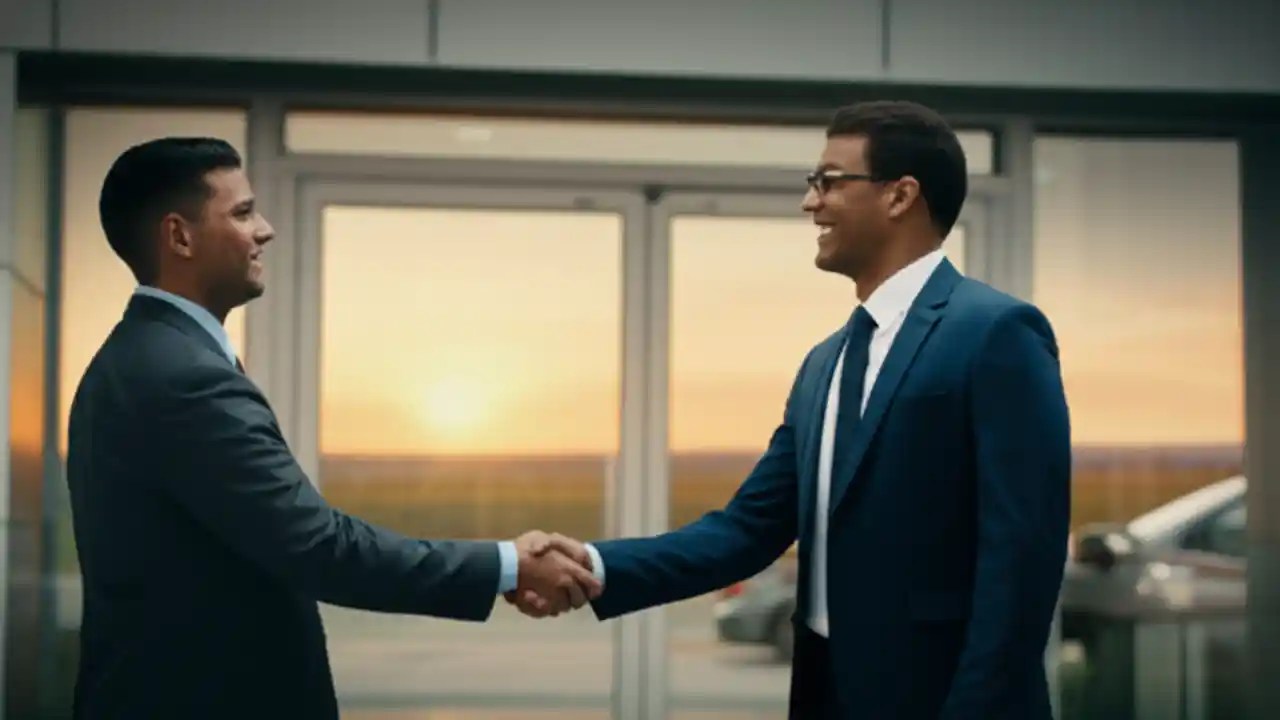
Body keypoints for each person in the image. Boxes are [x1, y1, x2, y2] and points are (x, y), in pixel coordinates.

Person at [517, 101, 1071, 719]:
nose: (812, 203)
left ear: (900, 196)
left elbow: (1021, 559)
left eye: (830, 181)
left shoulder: (996, 332)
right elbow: (744, 532)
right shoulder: (823, 365)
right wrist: (592, 564)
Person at [65, 137, 602, 720]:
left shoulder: (146, 358)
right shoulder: (181, 376)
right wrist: (507, 565)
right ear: (179, 236)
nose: (265, 229)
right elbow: (319, 547)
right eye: (243, 213)